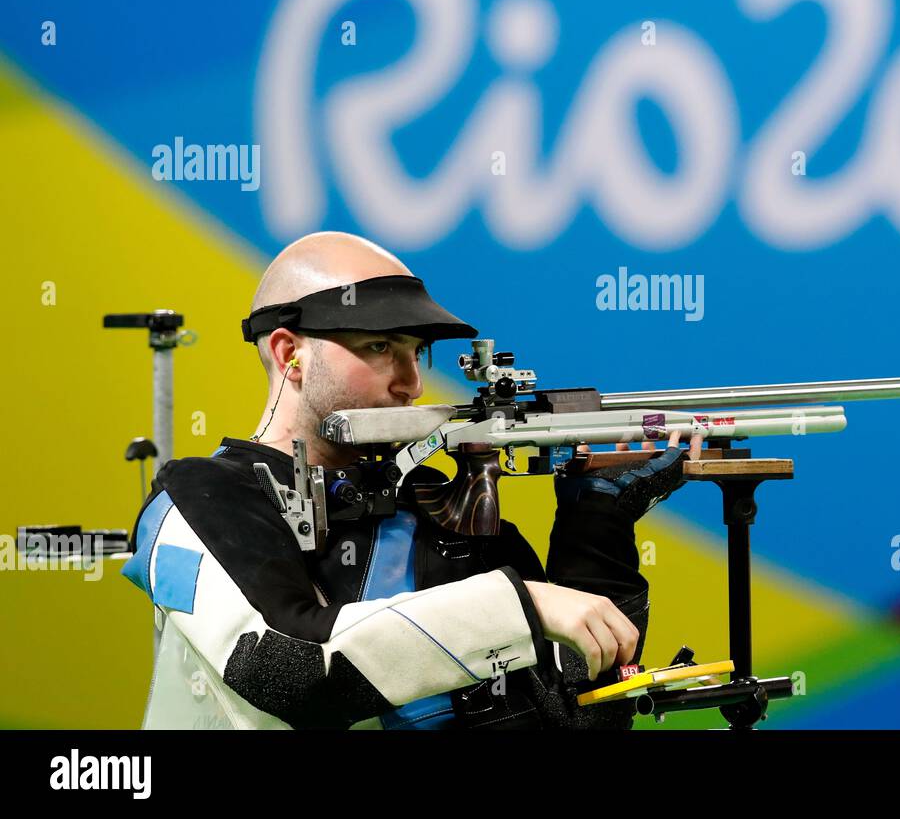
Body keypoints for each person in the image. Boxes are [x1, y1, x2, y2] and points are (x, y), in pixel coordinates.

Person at [124, 231, 697, 729]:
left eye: (417, 352)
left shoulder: (442, 516)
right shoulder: (193, 500)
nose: (412, 383)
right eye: (379, 347)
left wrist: (596, 528)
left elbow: (579, 719)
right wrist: (525, 604)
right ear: (288, 354)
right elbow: (289, 667)